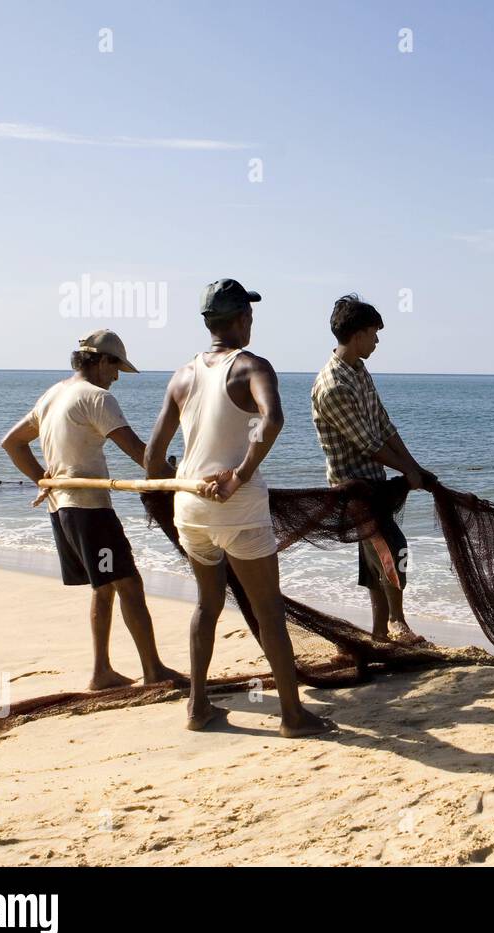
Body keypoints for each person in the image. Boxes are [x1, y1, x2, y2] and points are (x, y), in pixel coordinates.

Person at [144, 279, 329, 737]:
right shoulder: (252, 367)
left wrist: (181, 483)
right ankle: (292, 715)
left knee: (207, 605)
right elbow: (273, 420)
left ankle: (197, 707)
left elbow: (152, 459)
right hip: (238, 509)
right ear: (242, 320)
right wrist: (240, 474)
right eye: (250, 315)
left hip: (191, 510)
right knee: (268, 611)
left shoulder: (182, 374)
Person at [0, 330, 184, 691]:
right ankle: (154, 670)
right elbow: (141, 456)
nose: (117, 378)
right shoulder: (97, 398)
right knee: (129, 584)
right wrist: (175, 476)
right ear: (101, 361)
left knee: (104, 587)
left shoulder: (54, 394)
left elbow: (12, 443)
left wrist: (45, 479)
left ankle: (102, 672)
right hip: (89, 510)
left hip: (62, 509)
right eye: (116, 368)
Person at [311, 294, 433, 645]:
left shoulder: (358, 370)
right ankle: (398, 623)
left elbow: (384, 425)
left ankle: (380, 635)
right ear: (357, 335)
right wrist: (408, 471)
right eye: (373, 334)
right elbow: (368, 443)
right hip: (351, 490)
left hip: (374, 485)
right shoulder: (333, 385)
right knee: (395, 550)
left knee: (374, 562)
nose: (377, 341)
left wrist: (414, 468)